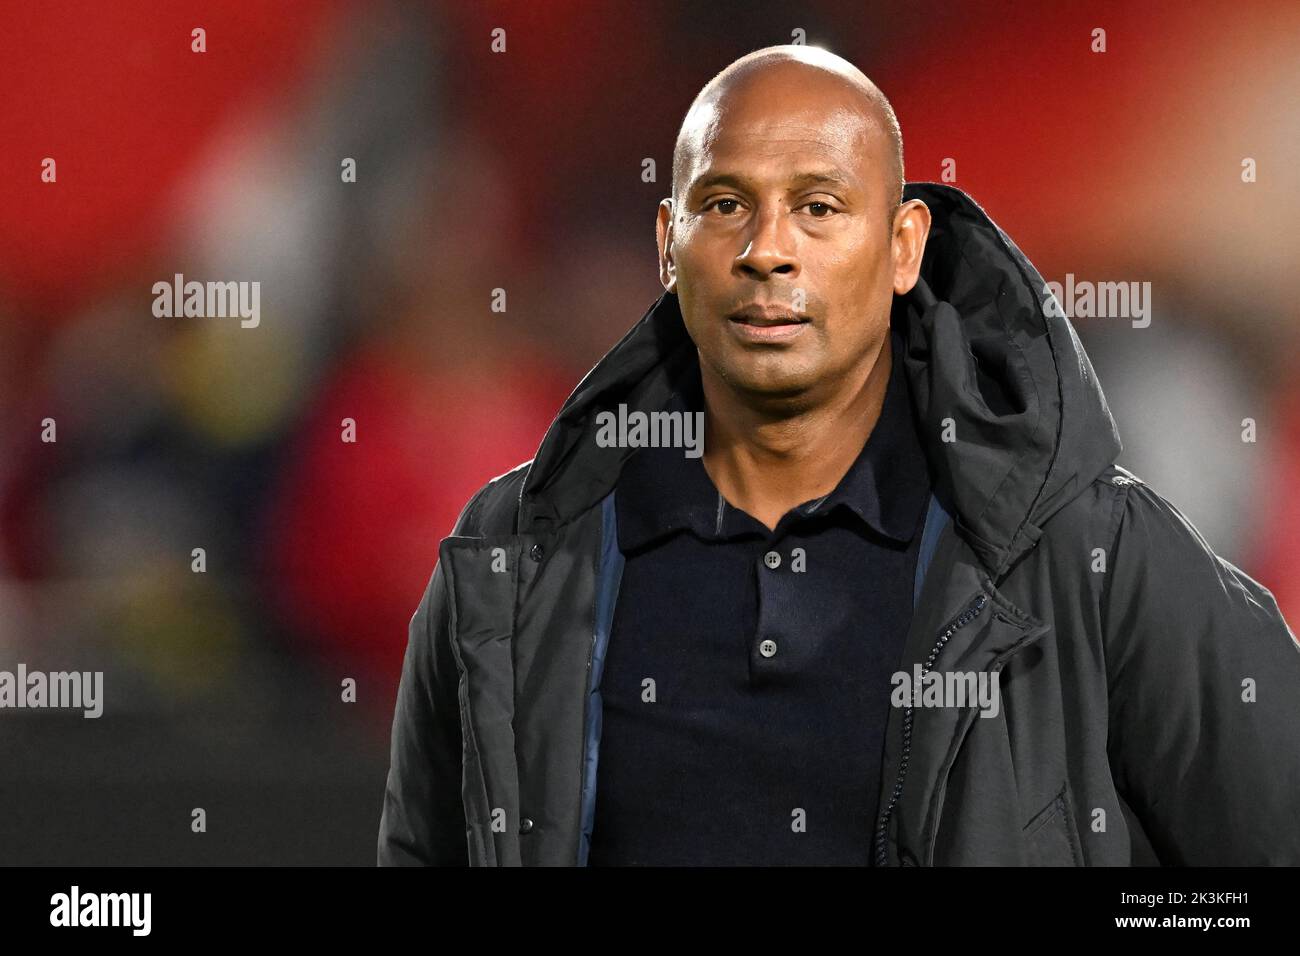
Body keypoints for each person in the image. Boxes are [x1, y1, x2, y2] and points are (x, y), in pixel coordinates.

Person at [378, 45, 1300, 866]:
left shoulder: (1087, 553)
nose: (768, 250)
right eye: (726, 204)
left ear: (904, 247)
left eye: (818, 207)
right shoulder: (513, 557)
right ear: (669, 245)